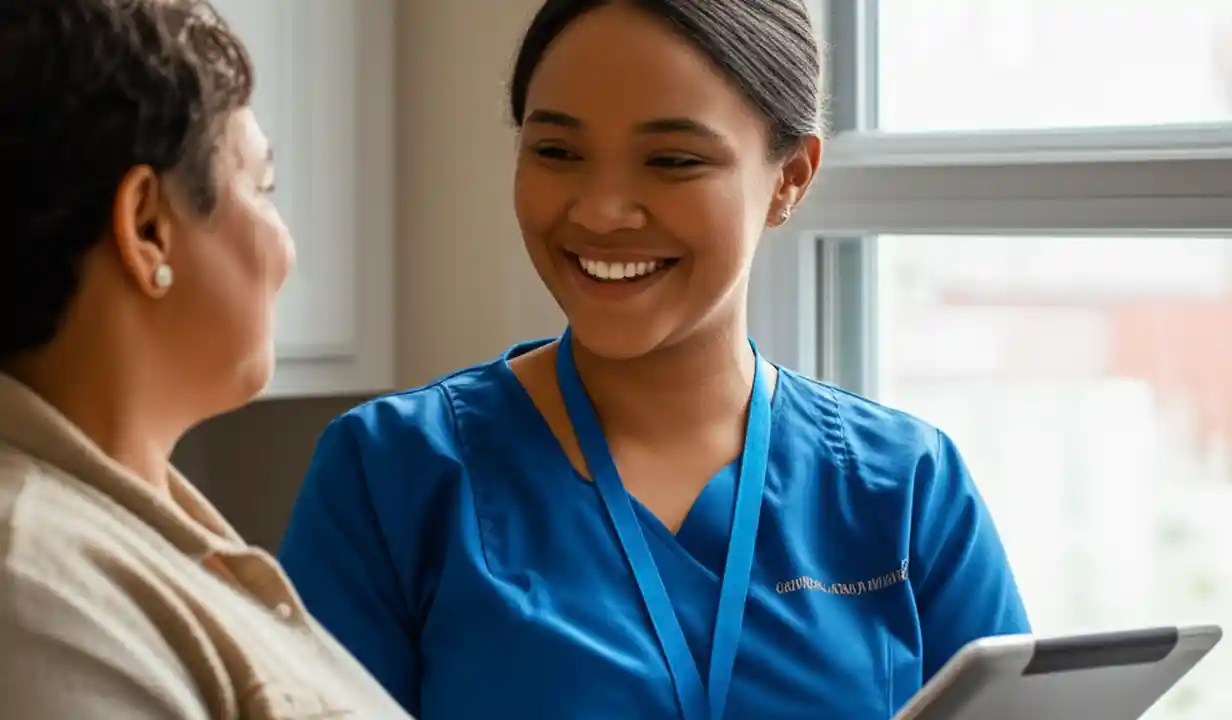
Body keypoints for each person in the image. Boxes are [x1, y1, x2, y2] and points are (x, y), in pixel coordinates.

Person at [279, 1, 1030, 718]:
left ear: (790, 179)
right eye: (556, 152)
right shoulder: (391, 476)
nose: (602, 211)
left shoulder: (906, 490)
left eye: (671, 160)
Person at [0, 2, 411, 717]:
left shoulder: (139, 534)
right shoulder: (37, 596)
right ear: (148, 228)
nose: (287, 251)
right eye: (262, 186)